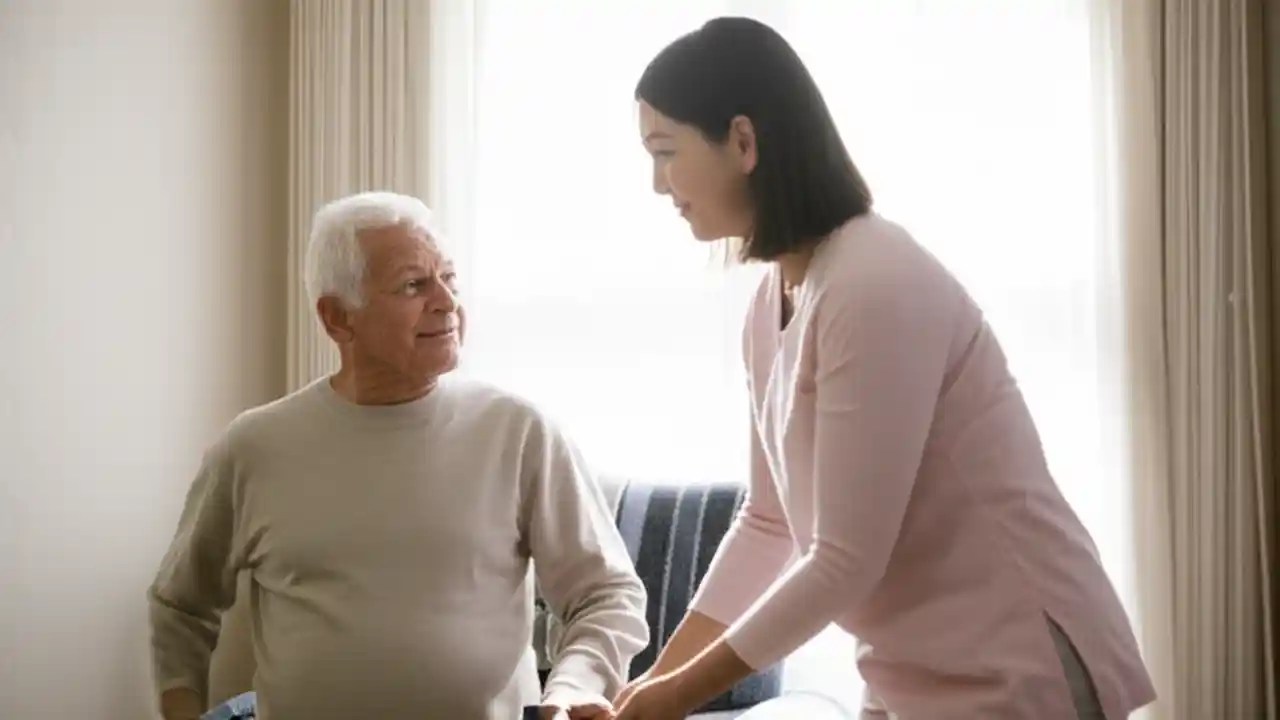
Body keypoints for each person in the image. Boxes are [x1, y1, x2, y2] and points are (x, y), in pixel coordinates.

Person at [613, 17, 1155, 720]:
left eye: (666, 151)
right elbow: (770, 520)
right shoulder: (770, 301)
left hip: (1015, 661)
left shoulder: (873, 281)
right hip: (909, 666)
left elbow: (843, 560)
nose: (659, 185)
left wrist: (675, 698)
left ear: (743, 142)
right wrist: (650, 684)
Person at [148, 191, 649, 720]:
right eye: (414, 285)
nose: (446, 302)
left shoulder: (518, 432)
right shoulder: (253, 448)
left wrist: (572, 688)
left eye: (449, 279)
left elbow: (607, 593)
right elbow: (180, 606)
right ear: (338, 319)